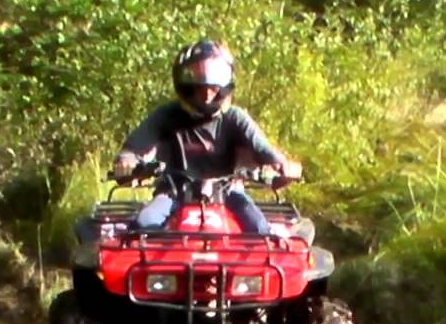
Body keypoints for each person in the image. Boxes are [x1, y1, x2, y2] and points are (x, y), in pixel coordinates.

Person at [110, 40, 302, 235]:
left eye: (213, 86)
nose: (208, 94)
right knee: (142, 227)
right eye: (200, 87)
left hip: (229, 193)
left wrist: (282, 165)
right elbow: (134, 149)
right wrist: (127, 162)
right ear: (185, 84)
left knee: (261, 231)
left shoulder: (235, 118)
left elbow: (264, 150)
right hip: (173, 192)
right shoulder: (166, 116)